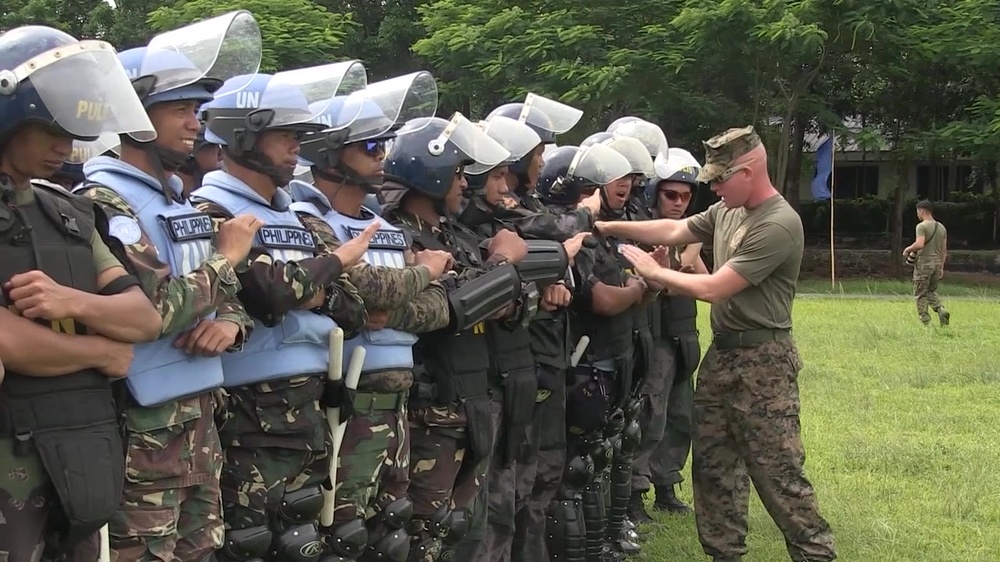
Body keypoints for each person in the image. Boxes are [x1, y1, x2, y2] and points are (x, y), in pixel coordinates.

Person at [596, 125, 837, 562]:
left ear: (748, 172)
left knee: (778, 471)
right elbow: (671, 232)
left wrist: (654, 275)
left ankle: (814, 553)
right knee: (713, 468)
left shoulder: (778, 223)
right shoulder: (727, 211)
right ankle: (724, 554)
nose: (712, 188)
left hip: (765, 361)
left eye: (719, 179)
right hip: (723, 354)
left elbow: (714, 288)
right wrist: (604, 225)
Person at [75, 13, 262, 561]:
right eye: (180, 109)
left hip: (199, 419)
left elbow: (224, 300)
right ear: (133, 117)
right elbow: (153, 307)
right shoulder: (104, 202)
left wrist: (231, 322)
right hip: (142, 431)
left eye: (198, 112)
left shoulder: (178, 199)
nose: (195, 125)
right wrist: (227, 260)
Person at [192, 64, 376, 562]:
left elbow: (355, 308)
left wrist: (310, 288)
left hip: (312, 402)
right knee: (251, 544)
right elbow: (267, 294)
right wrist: (334, 264)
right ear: (243, 136)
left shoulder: (293, 214)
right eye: (286, 135)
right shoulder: (209, 210)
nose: (298, 146)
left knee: (304, 542)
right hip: (253, 410)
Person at [0, 24, 164, 561]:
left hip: (81, 449)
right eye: (49, 128)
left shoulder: (66, 212)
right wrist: (102, 351)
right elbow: (10, 342)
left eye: (71, 132)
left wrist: (73, 302)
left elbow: (143, 319)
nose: (64, 148)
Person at [289, 73, 458, 561]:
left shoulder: (377, 224)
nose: (382, 155)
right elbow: (365, 290)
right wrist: (424, 271)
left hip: (396, 400)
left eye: (384, 143)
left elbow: (438, 307)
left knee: (391, 528)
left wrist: (403, 294)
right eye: (369, 145)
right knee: (339, 533)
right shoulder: (307, 216)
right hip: (343, 400)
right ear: (328, 153)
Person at [380, 113, 536, 562]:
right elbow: (453, 307)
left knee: (465, 531)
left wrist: (495, 285)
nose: (465, 184)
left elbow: (514, 305)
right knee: (424, 536)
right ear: (431, 174)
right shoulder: (400, 239)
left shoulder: (454, 237)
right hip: (431, 411)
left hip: (472, 404)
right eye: (458, 173)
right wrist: (502, 267)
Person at [629, 147, 708, 520]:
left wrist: (689, 258)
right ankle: (634, 489)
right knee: (650, 415)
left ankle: (665, 482)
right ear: (653, 192)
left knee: (680, 414)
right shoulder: (644, 232)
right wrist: (684, 265)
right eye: (671, 194)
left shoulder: (690, 232)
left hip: (682, 334)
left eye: (686, 196)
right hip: (654, 336)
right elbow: (672, 282)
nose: (679, 203)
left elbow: (705, 282)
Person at [903, 200, 949, 326]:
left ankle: (925, 321)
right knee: (930, 291)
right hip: (937, 263)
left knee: (920, 293)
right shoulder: (942, 227)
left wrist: (908, 249)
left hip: (924, 263)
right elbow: (944, 250)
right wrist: (941, 267)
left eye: (917, 211)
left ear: (921, 211)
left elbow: (919, 244)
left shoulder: (921, 226)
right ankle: (940, 309)